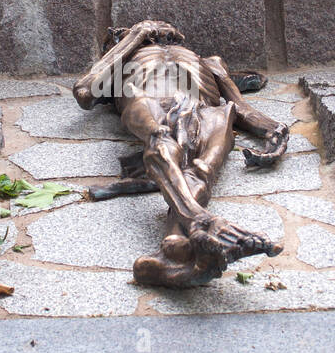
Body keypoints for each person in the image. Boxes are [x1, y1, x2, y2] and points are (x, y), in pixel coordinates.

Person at [73, 19, 290, 287]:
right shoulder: (121, 62)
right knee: (160, 138)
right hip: (146, 99)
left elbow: (241, 108)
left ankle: (171, 252)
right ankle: (200, 219)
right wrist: (136, 36)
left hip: (201, 107)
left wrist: (276, 132)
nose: (159, 26)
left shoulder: (210, 62)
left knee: (202, 170)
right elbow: (84, 92)